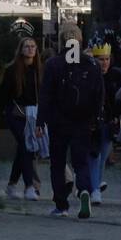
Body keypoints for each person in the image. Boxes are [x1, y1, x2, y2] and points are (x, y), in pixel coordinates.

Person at [39, 25, 102, 219]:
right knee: (80, 162)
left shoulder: (53, 64)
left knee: (57, 163)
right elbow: (98, 95)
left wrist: (41, 121)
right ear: (80, 40)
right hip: (82, 121)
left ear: (62, 40)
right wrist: (95, 119)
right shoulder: (91, 64)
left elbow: (46, 95)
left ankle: (61, 205)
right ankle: (83, 190)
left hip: (59, 122)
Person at [0, 35, 42, 200]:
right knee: (26, 145)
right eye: (27, 46)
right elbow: (2, 95)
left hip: (33, 115)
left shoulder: (38, 70)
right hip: (16, 114)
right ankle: (29, 187)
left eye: (33, 46)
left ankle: (12, 184)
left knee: (24, 149)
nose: (30, 49)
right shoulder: (13, 70)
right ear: (21, 50)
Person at [89, 39, 121, 205]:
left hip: (110, 123)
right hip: (93, 123)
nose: (104, 63)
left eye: (107, 59)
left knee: (102, 158)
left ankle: (93, 185)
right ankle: (94, 190)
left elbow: (119, 101)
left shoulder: (115, 76)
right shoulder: (89, 75)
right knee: (94, 155)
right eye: (101, 59)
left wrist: (116, 115)